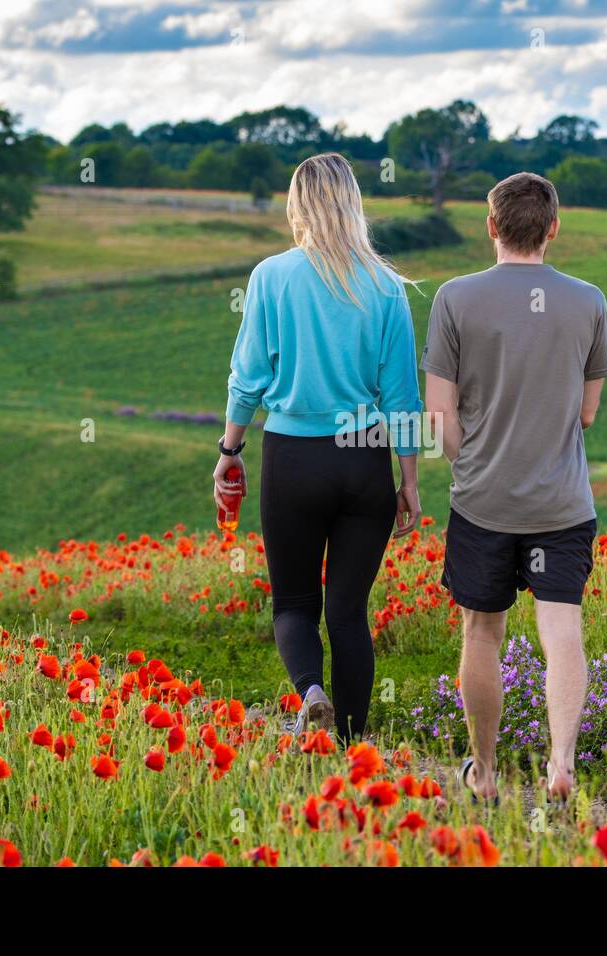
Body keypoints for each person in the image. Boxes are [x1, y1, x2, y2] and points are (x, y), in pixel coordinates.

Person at [215, 152, 421, 742]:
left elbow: (247, 377)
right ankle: (356, 748)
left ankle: (310, 694)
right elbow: (401, 395)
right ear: (353, 202)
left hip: (293, 458)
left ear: (297, 205)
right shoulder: (385, 285)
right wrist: (407, 481)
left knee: (294, 605)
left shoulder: (271, 277)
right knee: (349, 612)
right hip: (364, 458)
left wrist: (230, 452)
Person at [421, 172, 607, 800]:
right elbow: (586, 414)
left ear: (492, 226)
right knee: (562, 632)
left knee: (482, 632)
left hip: (483, 501)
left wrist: (469, 460)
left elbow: (439, 420)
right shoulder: (589, 301)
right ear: (553, 228)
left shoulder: (454, 298)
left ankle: (486, 772)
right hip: (560, 502)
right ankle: (561, 764)